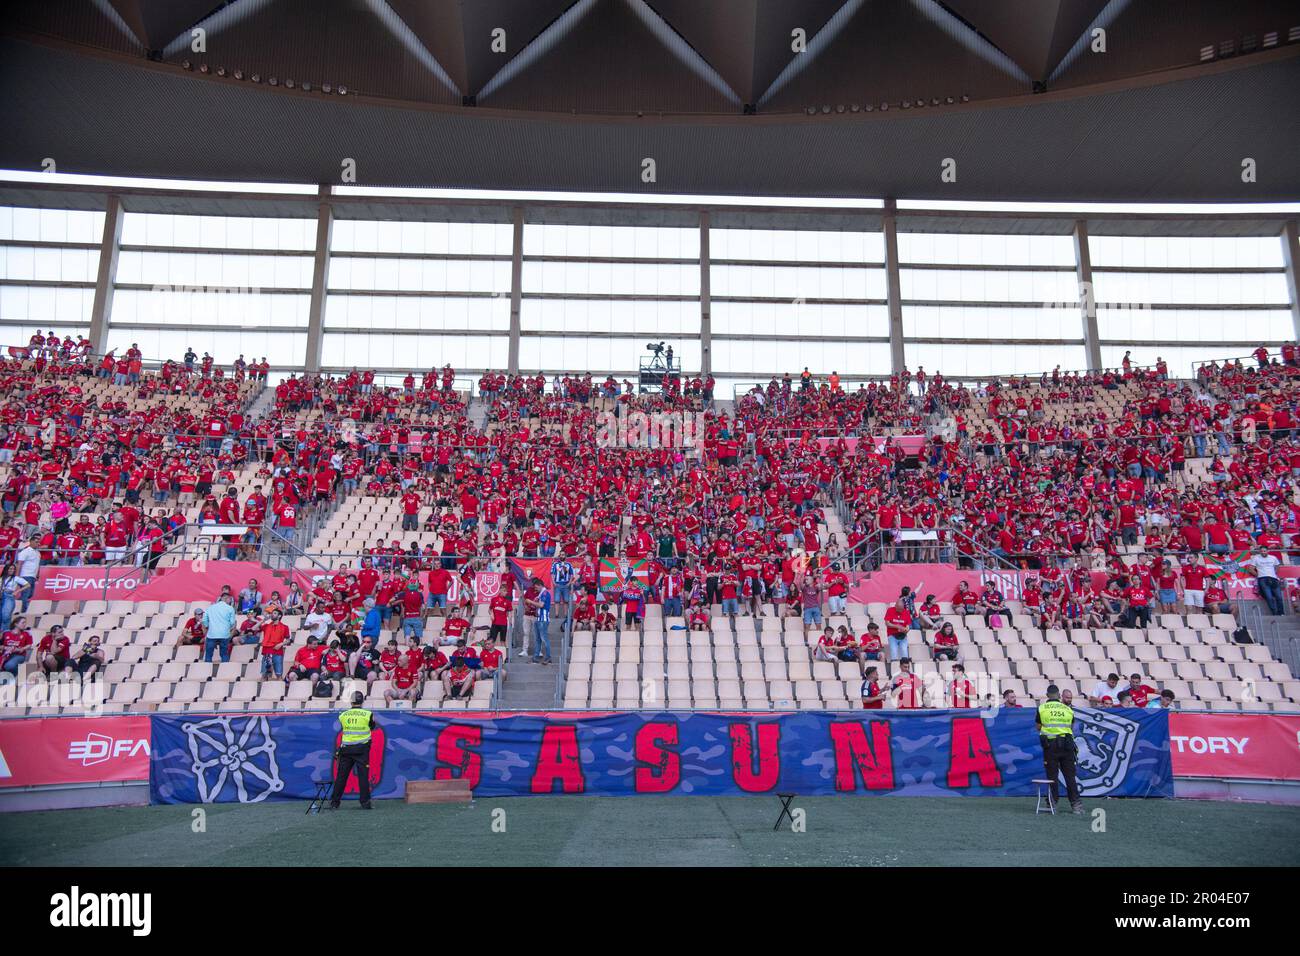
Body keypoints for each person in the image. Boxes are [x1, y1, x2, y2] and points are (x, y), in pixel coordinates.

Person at [1036, 684, 1082, 814]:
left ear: (1047, 695)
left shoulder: (1042, 708)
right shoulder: (1068, 709)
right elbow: (1071, 727)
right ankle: (1076, 805)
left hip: (1050, 746)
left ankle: (1052, 804)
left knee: (1052, 776)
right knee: (1070, 776)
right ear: (1059, 695)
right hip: (1067, 745)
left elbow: (1038, 726)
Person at [328, 691, 375, 810]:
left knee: (341, 777)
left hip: (346, 750)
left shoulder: (343, 715)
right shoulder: (368, 714)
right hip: (362, 749)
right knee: (363, 776)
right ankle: (365, 803)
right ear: (362, 701)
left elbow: (345, 728)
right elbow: (372, 727)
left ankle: (335, 802)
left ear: (351, 701)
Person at [201, 596, 237, 663]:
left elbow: (204, 620)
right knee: (224, 654)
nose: (231, 602)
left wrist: (208, 626)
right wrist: (228, 626)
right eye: (230, 600)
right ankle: (225, 671)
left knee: (208, 654)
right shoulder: (230, 608)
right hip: (224, 634)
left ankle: (206, 671)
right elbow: (232, 622)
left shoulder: (210, 608)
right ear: (227, 599)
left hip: (212, 634)